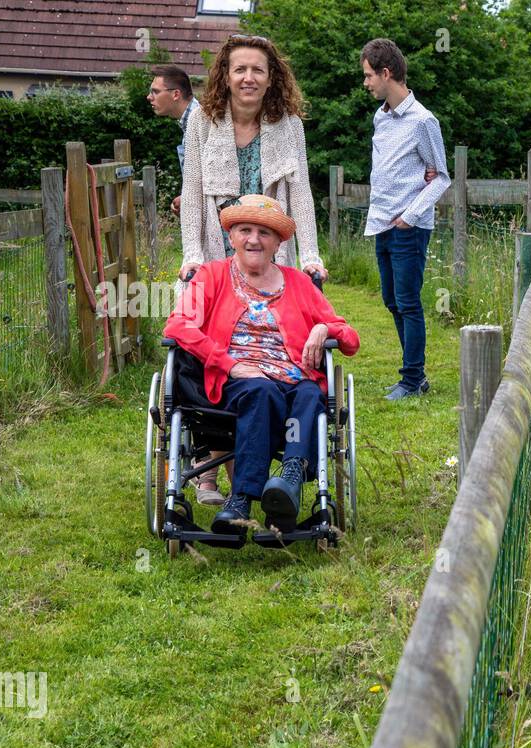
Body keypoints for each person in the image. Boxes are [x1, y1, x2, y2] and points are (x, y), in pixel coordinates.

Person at [179, 34, 327, 505]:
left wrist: (309, 255)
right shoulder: (203, 121)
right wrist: (192, 255)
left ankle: (266, 465)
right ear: (225, 74)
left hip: (270, 250)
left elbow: (300, 193)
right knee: (217, 346)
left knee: (262, 342)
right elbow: (191, 189)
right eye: (239, 69)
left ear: (271, 77)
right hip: (216, 249)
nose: (248, 77)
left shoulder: (289, 126)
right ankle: (206, 475)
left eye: (257, 70)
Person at [164, 195, 359, 537]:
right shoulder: (211, 276)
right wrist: (228, 364)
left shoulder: (299, 283)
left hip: (293, 381)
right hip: (237, 383)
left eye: (264, 233)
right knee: (262, 389)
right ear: (232, 237)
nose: (254, 239)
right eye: (245, 230)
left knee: (310, 394)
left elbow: (351, 338)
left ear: (278, 242)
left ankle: (287, 482)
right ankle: (243, 498)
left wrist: (323, 327)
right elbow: (177, 327)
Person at [360, 38, 450, 401]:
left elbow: (441, 176)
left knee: (408, 301)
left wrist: (410, 218)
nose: (365, 83)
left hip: (408, 228)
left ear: (386, 73)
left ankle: (412, 379)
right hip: (381, 221)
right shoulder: (380, 117)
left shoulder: (423, 121)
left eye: (368, 76)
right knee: (391, 300)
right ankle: (415, 376)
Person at [145, 65, 196, 216]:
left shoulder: (201, 122)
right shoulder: (189, 122)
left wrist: (189, 199)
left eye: (155, 91)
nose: (149, 97)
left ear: (175, 94)